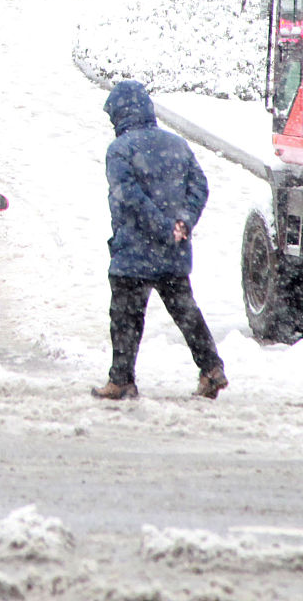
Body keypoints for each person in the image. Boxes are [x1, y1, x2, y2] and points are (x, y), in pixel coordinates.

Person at [93, 79, 228, 401]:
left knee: (125, 319)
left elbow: (129, 197)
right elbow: (199, 186)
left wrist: (161, 227)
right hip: (172, 252)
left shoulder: (120, 149)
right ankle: (211, 369)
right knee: (186, 313)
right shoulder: (177, 145)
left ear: (120, 113)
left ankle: (121, 381)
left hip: (134, 253)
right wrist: (182, 222)